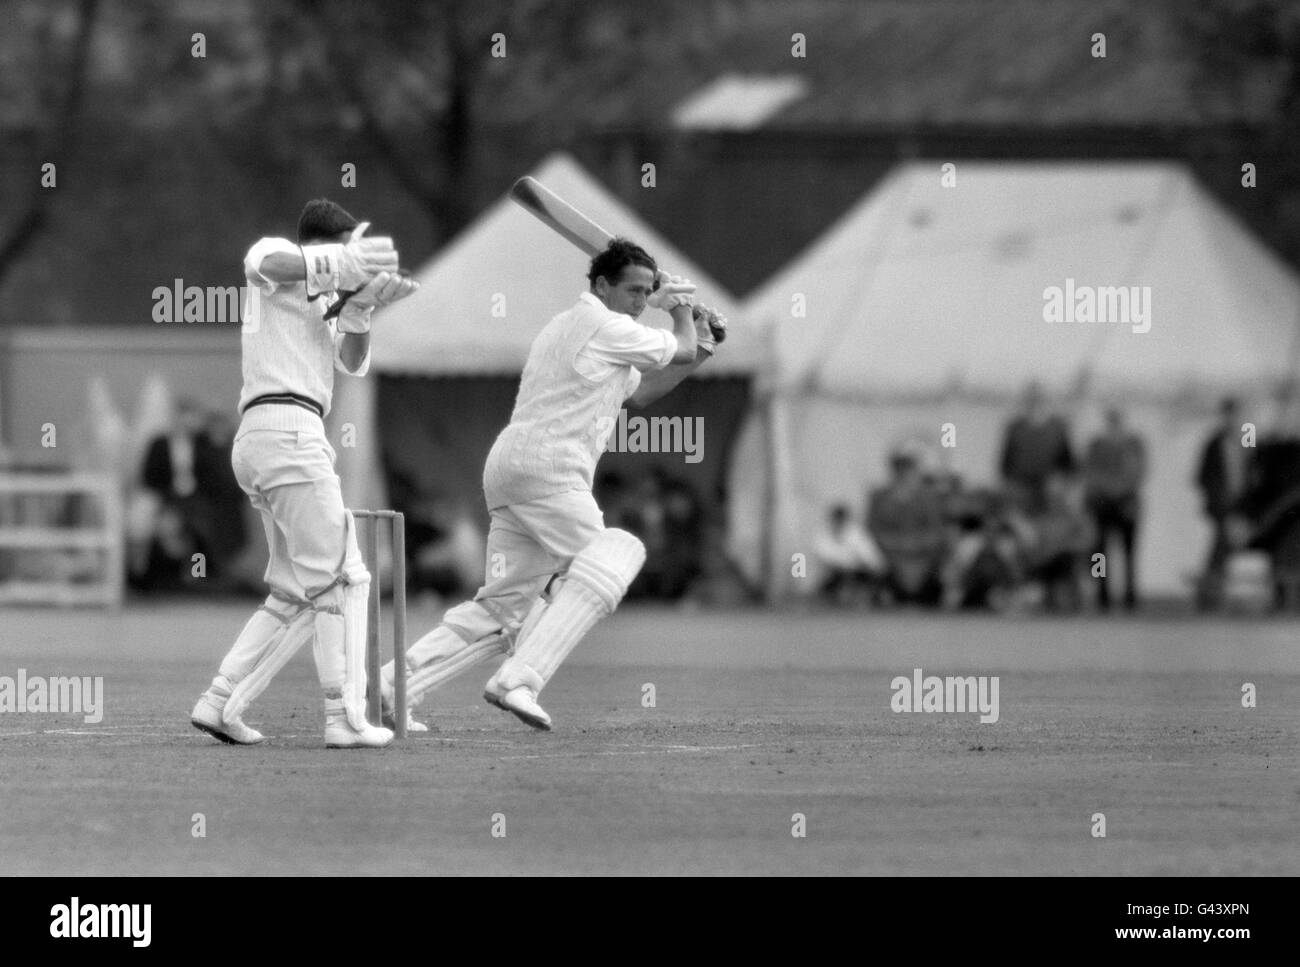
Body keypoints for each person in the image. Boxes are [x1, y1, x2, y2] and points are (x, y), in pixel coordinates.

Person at [378, 238, 724, 731]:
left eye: (648, 292)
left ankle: (392, 687)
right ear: (601, 284)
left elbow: (645, 392)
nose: (641, 301)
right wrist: (683, 311)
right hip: (549, 470)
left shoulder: (577, 328)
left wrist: (704, 349)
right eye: (633, 290)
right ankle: (520, 679)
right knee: (616, 554)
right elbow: (680, 345)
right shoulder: (606, 325)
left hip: (513, 470)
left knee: (502, 610)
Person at [189, 198, 418, 747]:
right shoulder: (277, 256)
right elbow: (267, 265)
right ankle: (344, 716)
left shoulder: (325, 303)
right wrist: (344, 268)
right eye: (348, 249)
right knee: (344, 577)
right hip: (284, 430)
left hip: (277, 437)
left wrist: (360, 309)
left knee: (294, 590)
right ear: (325, 245)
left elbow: (353, 361)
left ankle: (220, 701)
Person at [868, 443, 947, 606]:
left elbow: (936, 530)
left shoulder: (927, 498)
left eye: (908, 467)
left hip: (922, 553)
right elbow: (872, 529)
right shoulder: (879, 496)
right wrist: (895, 544)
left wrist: (916, 544)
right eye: (899, 468)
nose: (903, 473)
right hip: (890, 552)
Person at [1083, 408, 1146, 610]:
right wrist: (1108, 489)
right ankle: (1102, 595)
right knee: (1099, 553)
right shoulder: (1097, 445)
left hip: (1127, 503)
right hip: (1102, 504)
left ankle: (1130, 595)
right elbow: (1090, 471)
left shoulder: (1134, 444)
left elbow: (1139, 471)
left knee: (1129, 552)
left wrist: (1120, 490)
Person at [1195, 397, 1254, 611]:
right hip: (1222, 506)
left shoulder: (1247, 436)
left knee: (1238, 548)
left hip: (1243, 505)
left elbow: (1252, 468)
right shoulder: (1214, 443)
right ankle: (1210, 595)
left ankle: (1234, 596)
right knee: (1221, 548)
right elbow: (1202, 476)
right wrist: (1216, 499)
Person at [1000, 381, 1075, 513]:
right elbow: (1006, 463)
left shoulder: (1057, 429)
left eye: (1038, 399)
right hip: (1021, 484)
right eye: (1030, 400)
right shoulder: (1015, 428)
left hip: (1049, 485)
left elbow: (1068, 464)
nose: (1034, 404)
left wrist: (1061, 482)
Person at [814, 504, 885, 605]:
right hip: (833, 574)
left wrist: (872, 566)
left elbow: (870, 555)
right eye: (836, 520)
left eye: (840, 520)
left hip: (856, 572)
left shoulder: (856, 534)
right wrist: (845, 565)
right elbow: (823, 557)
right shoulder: (823, 535)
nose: (838, 523)